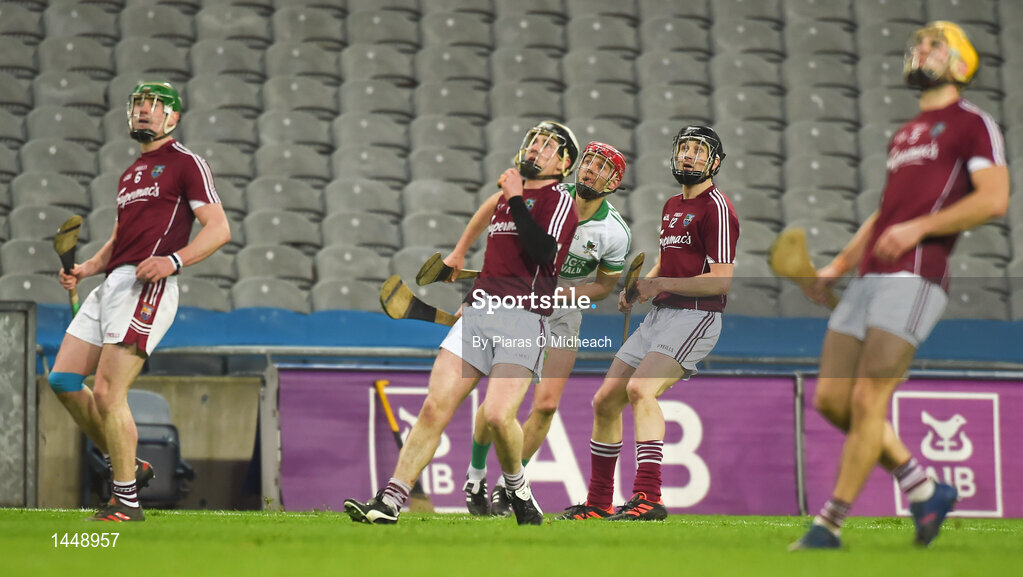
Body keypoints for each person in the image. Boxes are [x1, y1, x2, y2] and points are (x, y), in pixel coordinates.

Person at [790, 21, 1009, 549]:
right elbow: (886, 212)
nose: (921, 48)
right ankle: (924, 488)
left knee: (868, 400)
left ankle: (830, 523)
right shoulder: (906, 133)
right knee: (830, 401)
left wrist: (919, 229)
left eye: (936, 43)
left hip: (916, 276)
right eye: (919, 43)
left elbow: (993, 199)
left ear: (961, 63)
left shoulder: (972, 123)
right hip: (870, 276)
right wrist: (839, 264)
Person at [344, 121, 581, 525]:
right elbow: (488, 213)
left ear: (563, 163)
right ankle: (389, 501)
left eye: (547, 146)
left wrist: (517, 198)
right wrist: (459, 253)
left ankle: (518, 488)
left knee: (495, 417)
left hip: (524, 321)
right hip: (477, 316)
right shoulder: (508, 197)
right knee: (434, 409)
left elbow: (543, 251)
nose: (536, 149)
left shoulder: (557, 201)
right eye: (534, 142)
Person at [50, 81, 231, 522]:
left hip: (147, 285)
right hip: (112, 284)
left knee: (110, 393)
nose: (144, 112)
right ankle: (128, 464)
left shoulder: (186, 164)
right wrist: (88, 267)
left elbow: (219, 228)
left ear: (174, 117)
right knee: (63, 382)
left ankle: (126, 499)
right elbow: (122, 237)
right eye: (139, 105)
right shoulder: (130, 173)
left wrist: (173, 260)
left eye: (155, 105)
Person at [558, 125, 739, 521]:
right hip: (660, 315)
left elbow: (721, 280)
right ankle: (599, 502)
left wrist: (658, 283)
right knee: (605, 401)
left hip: (696, 316)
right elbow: (666, 261)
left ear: (715, 163)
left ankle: (648, 498)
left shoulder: (717, 208)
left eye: (698, 151)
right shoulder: (672, 205)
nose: (689, 156)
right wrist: (640, 288)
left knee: (641, 390)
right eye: (684, 148)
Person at [456, 142, 632, 516]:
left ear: (613, 183)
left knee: (548, 406)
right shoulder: (550, 195)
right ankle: (474, 475)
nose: (591, 171)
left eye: (603, 169)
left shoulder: (615, 233)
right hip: (519, 304)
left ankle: (508, 485)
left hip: (563, 314)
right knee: (498, 404)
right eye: (589, 163)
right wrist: (461, 251)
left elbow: (602, 286)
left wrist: (565, 294)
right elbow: (495, 206)